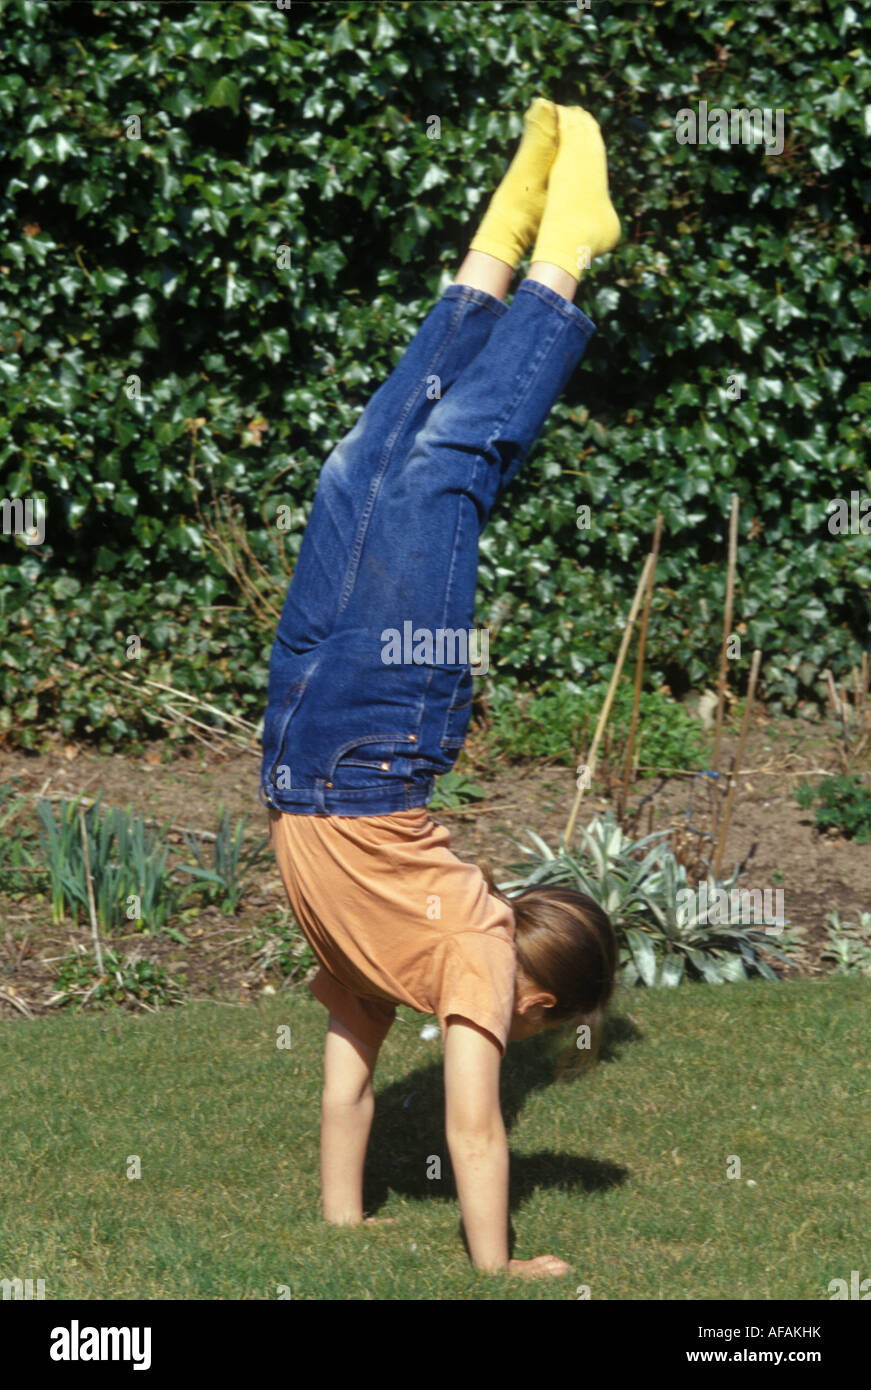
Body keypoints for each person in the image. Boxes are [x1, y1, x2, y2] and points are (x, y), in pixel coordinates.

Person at [260, 100, 621, 1278]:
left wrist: (342, 1232)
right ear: (535, 1003)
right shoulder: (470, 952)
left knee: (358, 469)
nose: (499, 1042)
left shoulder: (379, 962)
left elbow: (345, 1094)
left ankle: (500, 241)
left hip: (300, 736)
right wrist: (495, 1268)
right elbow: (472, 1126)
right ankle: (563, 263)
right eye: (538, 1027)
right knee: (441, 477)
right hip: (373, 737)